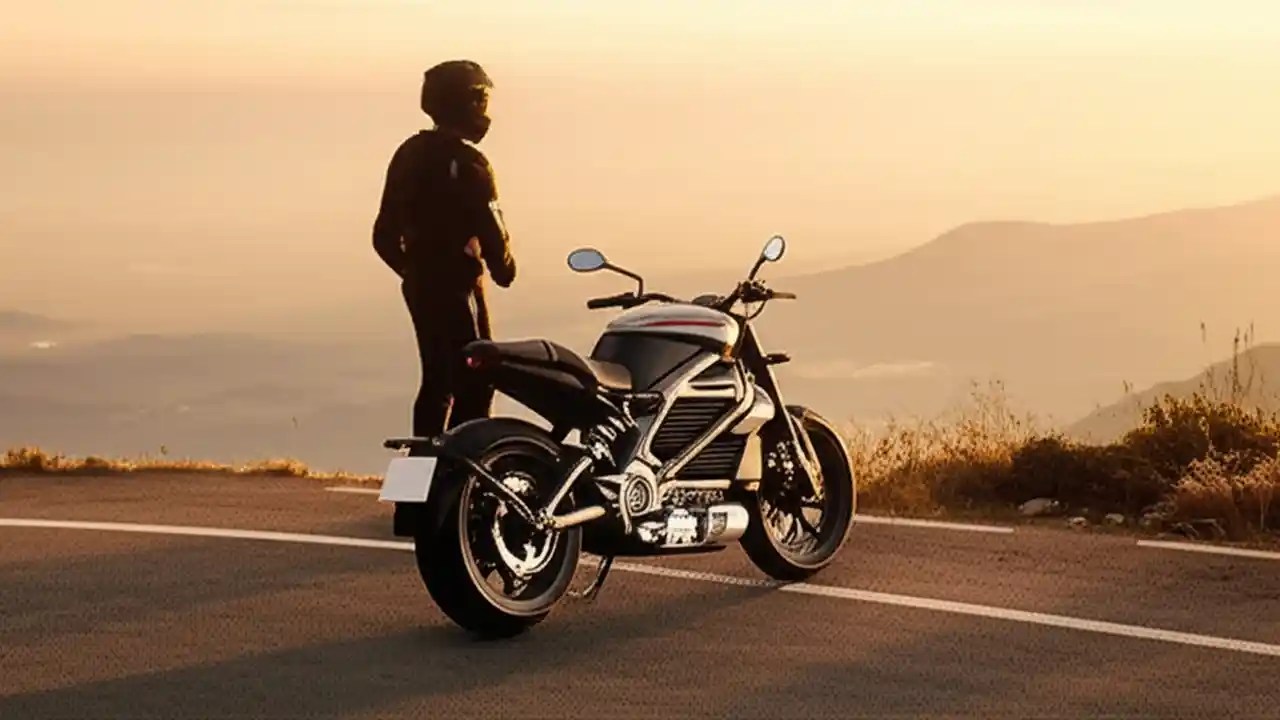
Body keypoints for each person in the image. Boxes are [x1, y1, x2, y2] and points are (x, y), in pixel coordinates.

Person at [372, 60, 516, 438]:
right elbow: (501, 258)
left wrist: (416, 270)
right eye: (480, 102)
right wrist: (495, 265)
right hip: (460, 288)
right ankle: (458, 479)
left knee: (437, 381)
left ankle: (421, 477)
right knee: (478, 380)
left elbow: (382, 238)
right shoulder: (471, 165)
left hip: (419, 284)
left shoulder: (409, 154)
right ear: (464, 104)